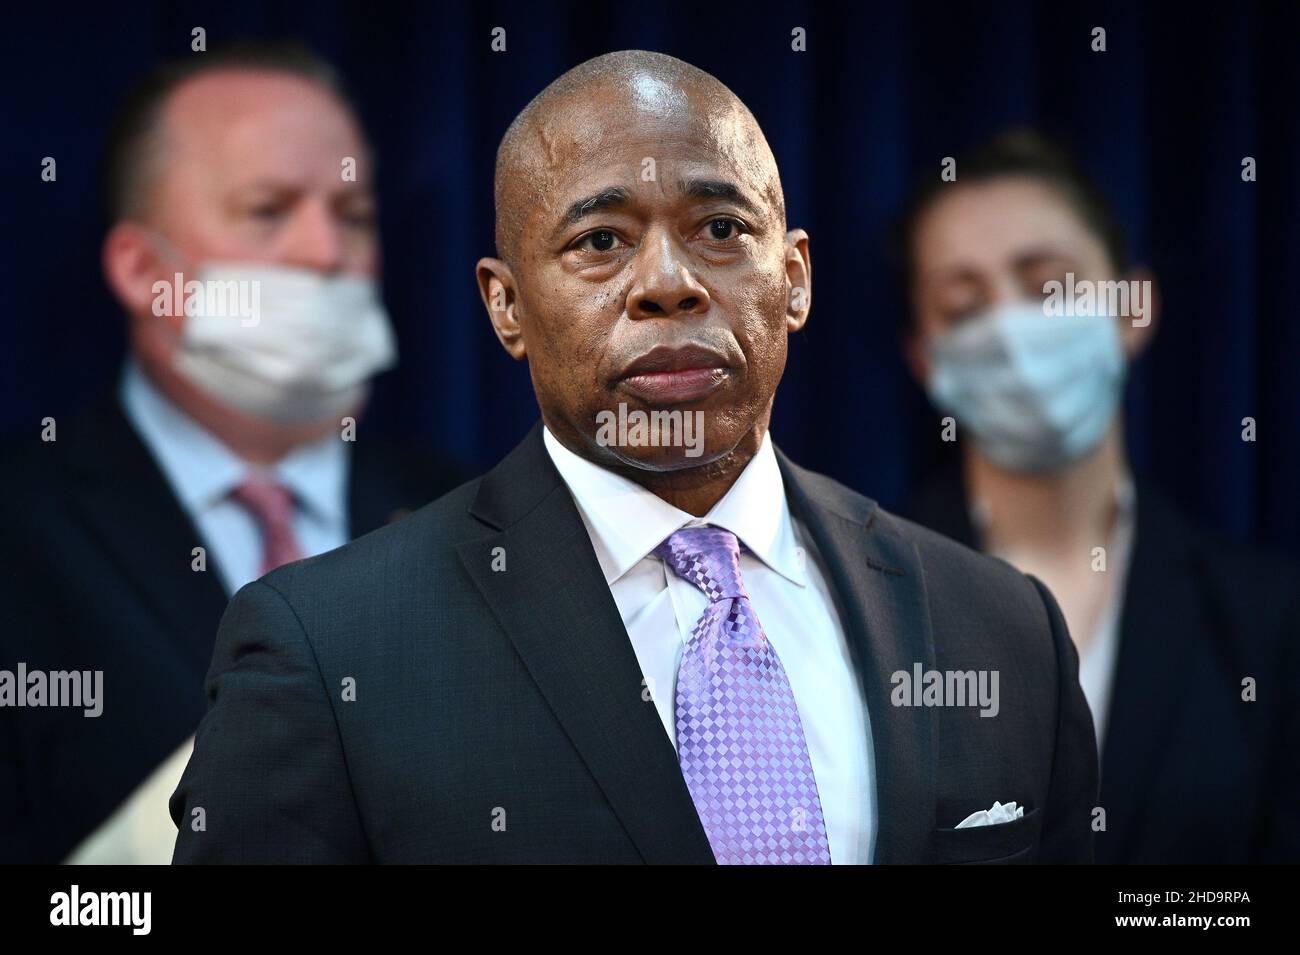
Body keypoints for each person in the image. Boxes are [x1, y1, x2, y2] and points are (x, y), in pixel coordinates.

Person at [169, 51, 1096, 865]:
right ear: (506, 307)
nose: (668, 283)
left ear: (796, 277)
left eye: (720, 229)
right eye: (600, 242)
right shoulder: (329, 653)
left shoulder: (1002, 630)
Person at [0, 42, 463, 864]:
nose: (326, 252)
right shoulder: (19, 529)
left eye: (352, 216)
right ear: (143, 267)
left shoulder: (476, 519)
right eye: (268, 210)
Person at [898, 130, 1300, 863]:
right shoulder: (863, 604)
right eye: (963, 306)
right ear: (926, 359)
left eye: (1047, 284)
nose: (1010, 331)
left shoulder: (1269, 623)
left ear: (1132, 307)